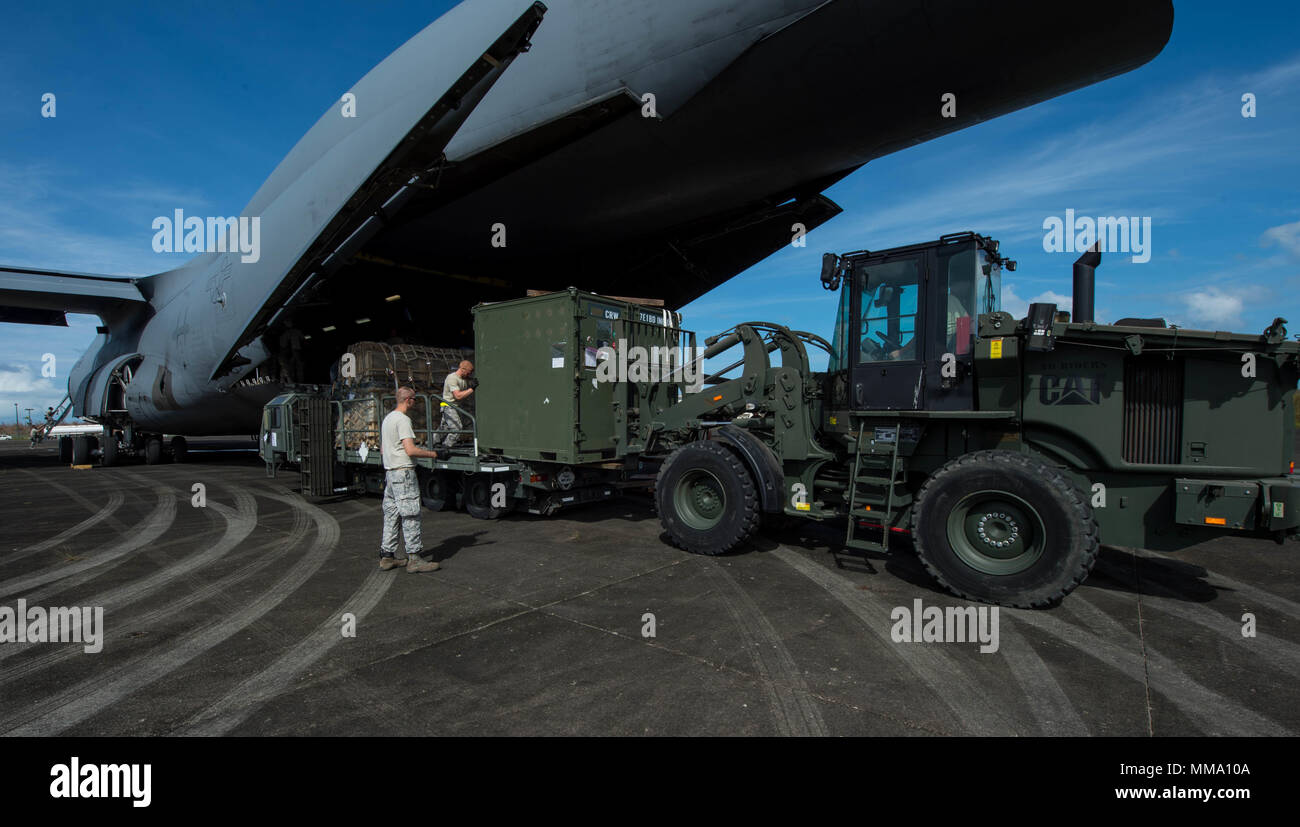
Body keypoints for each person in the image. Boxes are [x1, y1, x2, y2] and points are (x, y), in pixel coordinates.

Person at [379, 386, 442, 573]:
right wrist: (434, 454)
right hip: (404, 472)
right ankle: (414, 558)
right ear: (409, 400)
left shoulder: (388, 419)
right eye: (414, 399)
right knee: (411, 514)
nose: (415, 402)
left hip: (390, 473)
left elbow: (383, 450)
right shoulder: (403, 420)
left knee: (391, 515)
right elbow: (411, 450)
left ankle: (387, 556)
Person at [438, 360, 475, 449]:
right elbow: (457, 396)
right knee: (457, 428)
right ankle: (446, 447)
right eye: (468, 372)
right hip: (448, 406)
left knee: (444, 429)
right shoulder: (452, 378)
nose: (468, 374)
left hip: (455, 407)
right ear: (462, 369)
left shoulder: (463, 379)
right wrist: (472, 389)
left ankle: (430, 443)